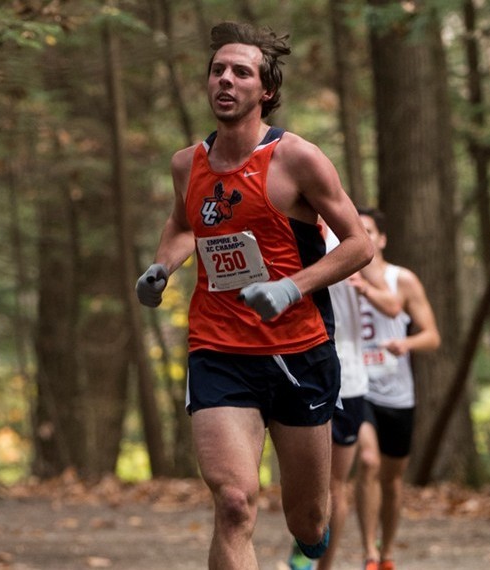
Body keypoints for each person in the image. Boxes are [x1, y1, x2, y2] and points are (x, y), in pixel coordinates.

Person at [135, 22, 374, 569]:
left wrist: (292, 288)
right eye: (218, 70)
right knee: (235, 503)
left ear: (265, 90)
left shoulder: (298, 160)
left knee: (308, 520)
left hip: (299, 351)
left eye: (241, 72)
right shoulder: (186, 164)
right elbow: (183, 225)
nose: (226, 79)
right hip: (218, 349)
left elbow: (359, 246)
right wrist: (161, 267)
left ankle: (310, 542)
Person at [287, 223, 401, 570]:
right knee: (304, 479)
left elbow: (393, 306)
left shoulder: (350, 242)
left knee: (335, 483)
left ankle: (323, 565)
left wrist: (363, 286)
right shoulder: (286, 231)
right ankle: (303, 539)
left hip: (348, 378)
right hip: (299, 369)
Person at [353, 207, 441, 570]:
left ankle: (387, 551)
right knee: (369, 461)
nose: (365, 236)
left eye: (370, 231)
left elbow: (432, 336)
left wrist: (406, 345)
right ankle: (369, 553)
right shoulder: (341, 277)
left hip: (398, 391)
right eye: (358, 231)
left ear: (383, 239)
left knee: (392, 479)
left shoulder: (402, 280)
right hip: (359, 386)